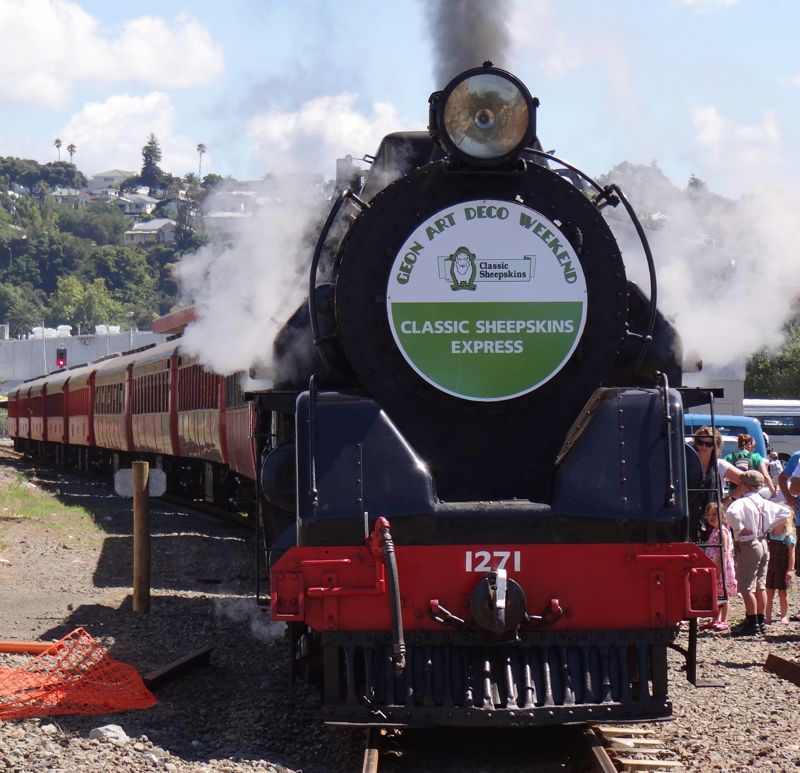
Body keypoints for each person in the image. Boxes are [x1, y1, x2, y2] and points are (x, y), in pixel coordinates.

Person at [727, 470, 793, 636]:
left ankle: (752, 622)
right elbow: (786, 512)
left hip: (750, 544)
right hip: (764, 542)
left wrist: (740, 528)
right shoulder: (766, 503)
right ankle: (761, 621)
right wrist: (769, 525)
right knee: (760, 584)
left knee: (746, 585)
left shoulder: (742, 503)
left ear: (744, 485)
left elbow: (731, 512)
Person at [701, 501, 737, 633]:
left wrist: (718, 568)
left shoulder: (722, 532)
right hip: (714, 566)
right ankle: (715, 619)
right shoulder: (714, 531)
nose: (711, 517)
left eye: (715, 514)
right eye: (709, 514)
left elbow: (723, 552)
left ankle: (724, 620)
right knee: (716, 595)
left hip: (721, 568)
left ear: (722, 515)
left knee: (723, 595)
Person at [724, 434, 776, 498]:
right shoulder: (756, 457)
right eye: (754, 445)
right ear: (749, 444)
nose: (754, 448)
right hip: (751, 493)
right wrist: (773, 492)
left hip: (734, 494)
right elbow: (765, 475)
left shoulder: (729, 457)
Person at [765, 518, 796, 625]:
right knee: (769, 593)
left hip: (782, 568)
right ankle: (767, 616)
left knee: (783, 593)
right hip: (769, 568)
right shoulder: (768, 535)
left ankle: (783, 616)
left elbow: (791, 555)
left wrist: (790, 570)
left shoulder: (788, 538)